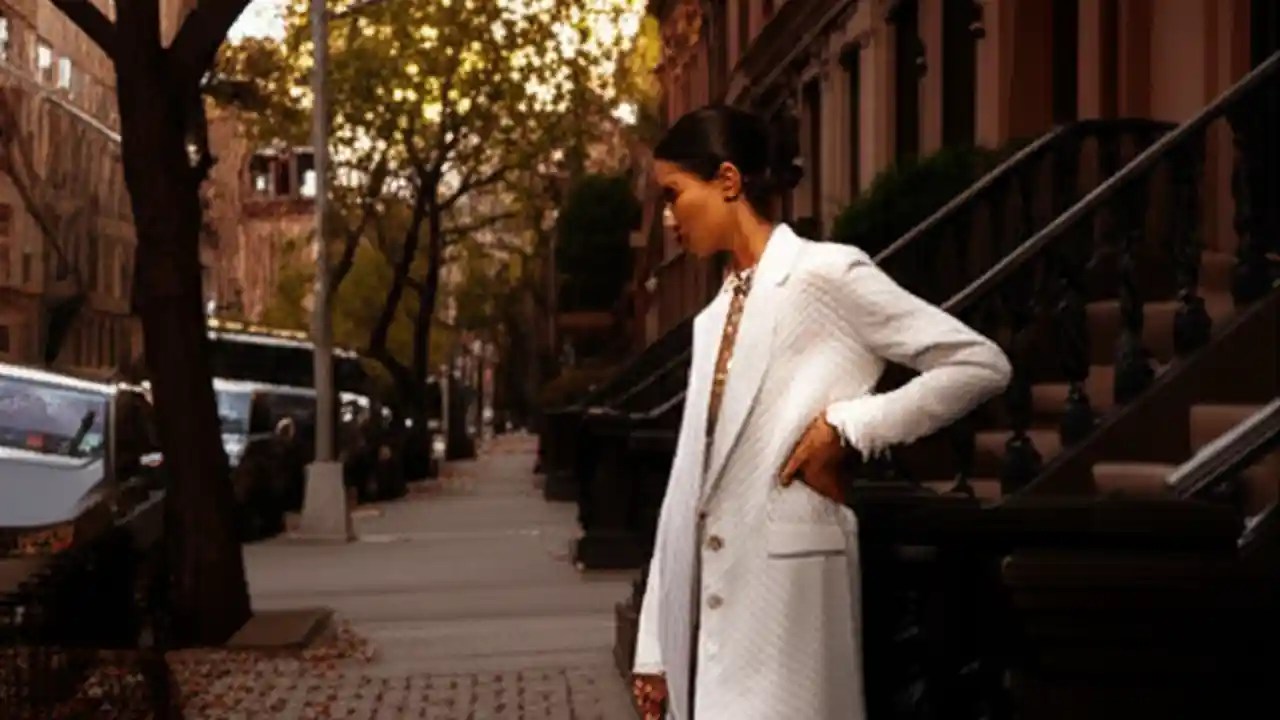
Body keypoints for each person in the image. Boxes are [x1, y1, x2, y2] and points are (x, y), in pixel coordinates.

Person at [630, 106, 1012, 720]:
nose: (670, 220)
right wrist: (654, 646)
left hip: (791, 605)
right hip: (712, 622)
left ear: (728, 181)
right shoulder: (709, 320)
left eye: (675, 196)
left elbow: (978, 364)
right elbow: (685, 490)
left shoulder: (826, 274)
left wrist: (851, 428)